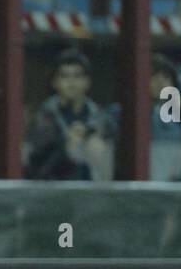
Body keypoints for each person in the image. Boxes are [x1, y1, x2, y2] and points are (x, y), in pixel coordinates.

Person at [24, 47, 115, 181]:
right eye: (64, 76)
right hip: (56, 198)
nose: (71, 82)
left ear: (87, 81)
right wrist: (65, 150)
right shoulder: (43, 122)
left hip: (94, 198)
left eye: (77, 76)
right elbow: (35, 173)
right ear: (55, 82)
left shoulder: (102, 120)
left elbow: (116, 170)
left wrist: (103, 155)